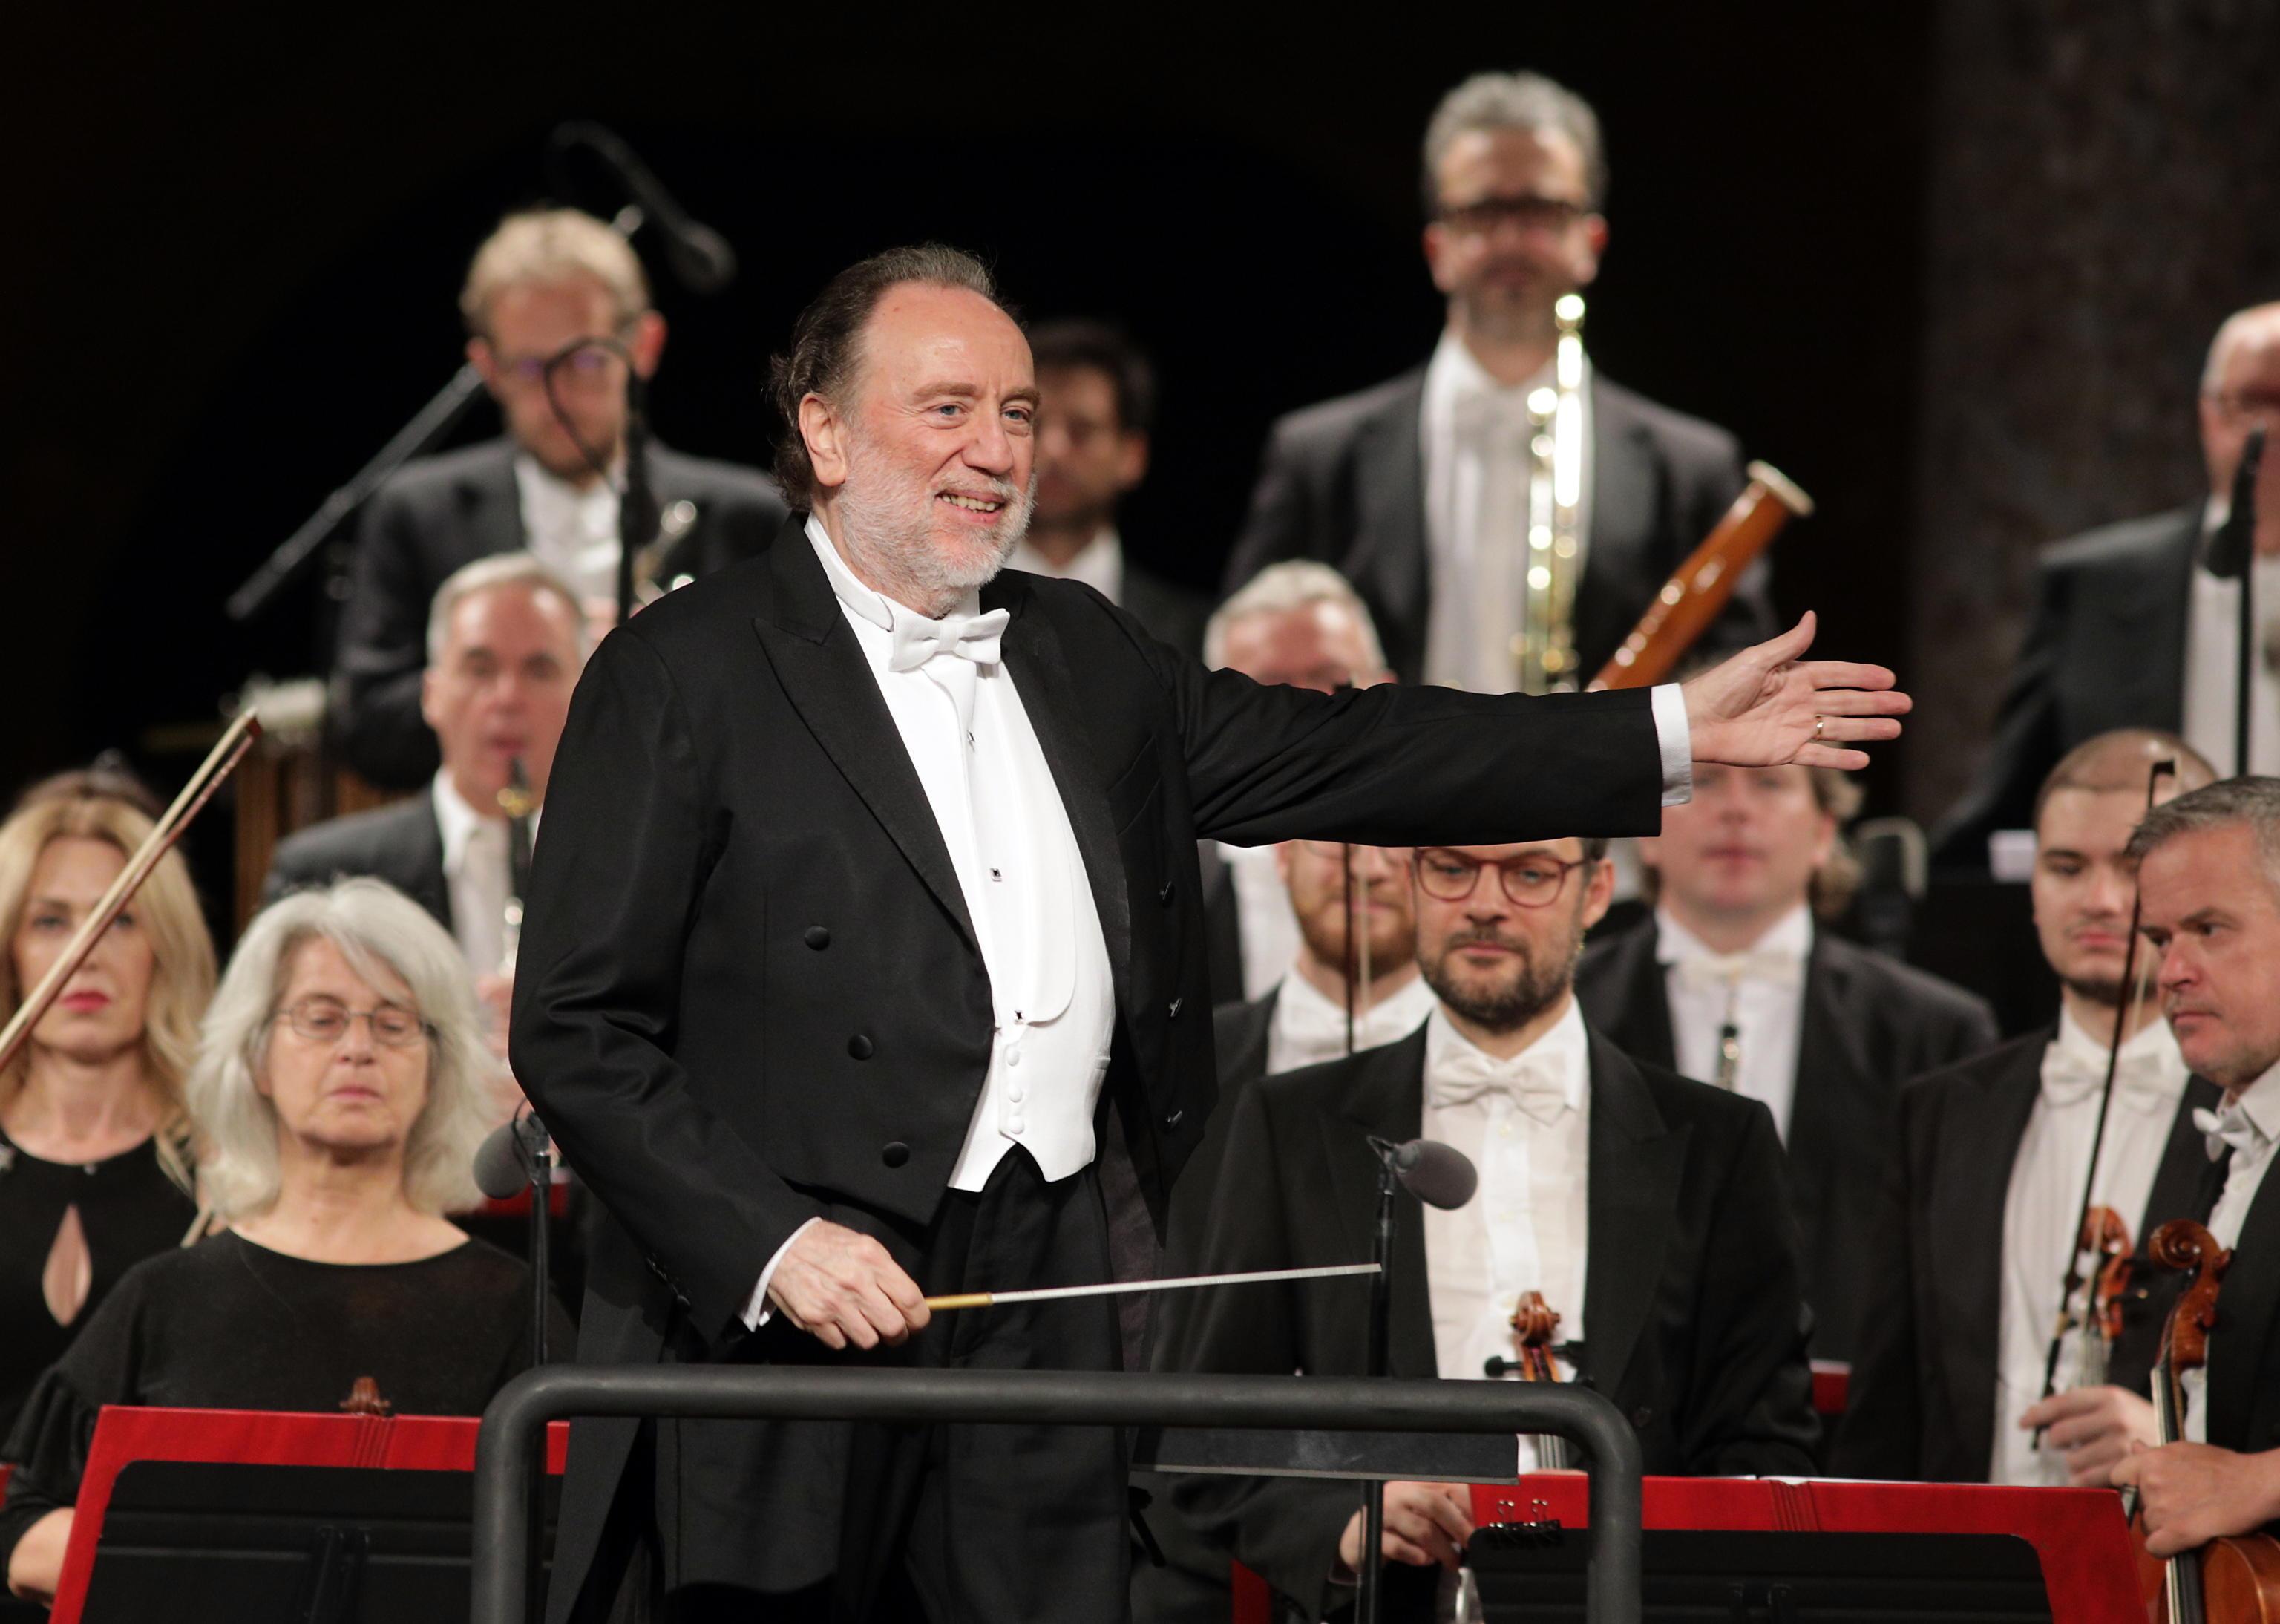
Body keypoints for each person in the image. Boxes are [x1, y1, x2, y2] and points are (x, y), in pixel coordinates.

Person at [509, 243, 1904, 1624]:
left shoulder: (1085, 653)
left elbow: (1353, 752)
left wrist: (1664, 728)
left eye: (1016, 414)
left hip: (1047, 1291)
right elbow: (576, 1026)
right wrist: (769, 1243)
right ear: (821, 429)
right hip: (794, 1321)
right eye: (948, 408)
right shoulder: (682, 670)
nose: (995, 451)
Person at [1149, 836, 1816, 1622]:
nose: (1486, 903)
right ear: (1413, 879)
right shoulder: (1289, 1124)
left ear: (1596, 890)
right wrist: (1346, 1524)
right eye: (1453, 867)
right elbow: (1214, 1426)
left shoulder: (1721, 1140)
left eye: (1530, 873)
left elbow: (1763, 1442)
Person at [0, 878, 570, 1605]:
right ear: (260, 1059)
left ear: (437, 1067)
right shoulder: (163, 1294)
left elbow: (577, 1542)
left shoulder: (513, 1304)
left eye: (395, 1024)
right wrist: (222, 1569)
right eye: (322, 1018)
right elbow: (22, 1528)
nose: (358, 1049)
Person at [1221, 69, 1772, 690]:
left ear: (1591, 240)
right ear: (1437, 248)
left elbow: (1732, 684)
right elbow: (1244, 672)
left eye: (1541, 209)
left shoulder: (1691, 468)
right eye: (1482, 212)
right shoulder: (1318, 457)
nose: (1511, 240)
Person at [1835, 731, 2221, 1484]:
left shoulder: (2256, 1114)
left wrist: (2182, 1444)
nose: (2101, 899)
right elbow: (1889, 1409)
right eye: (2066, 866)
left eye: (2133, 866)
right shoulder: (1943, 1110)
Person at [334, 208, 787, 789]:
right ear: (486, 368)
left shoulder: (746, 517)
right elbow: (367, 726)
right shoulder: (418, 514)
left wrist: (677, 668)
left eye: (586, 359)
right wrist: (534, 679)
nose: (557, 395)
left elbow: (797, 718)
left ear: (645, 346)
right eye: (528, 367)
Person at [1575, 762, 1996, 1359]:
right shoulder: (1567, 1010)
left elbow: (1958, 1264)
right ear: (1646, 830)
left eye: (1770, 783)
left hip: (1849, 1416)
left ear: (1825, 832)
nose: (1736, 810)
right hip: (1613, 1412)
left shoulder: (1935, 1031)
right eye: (1704, 782)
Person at [1936, 303, 2280, 862]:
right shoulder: (2095, 588)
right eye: (2251, 402)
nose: (2271, 428)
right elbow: (2011, 800)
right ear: (2208, 414)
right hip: (2140, 927)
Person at [272, 553, 587, 1067]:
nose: (507, 698)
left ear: (586, 696)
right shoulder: (321, 872)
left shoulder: (646, 868)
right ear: (431, 695)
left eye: (540, 669)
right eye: (479, 668)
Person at [0, 775, 216, 1437]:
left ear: (166, 948)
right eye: (50, 921)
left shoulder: (231, 1159)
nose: (84, 951)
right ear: (9, 951)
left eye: (119, 919)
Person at [2104, 777, 2280, 1556]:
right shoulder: (2235, 1142)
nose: (2171, 971)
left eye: (2209, 929)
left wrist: (2261, 1482)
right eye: (2160, 939)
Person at [1199, 562, 1399, 1007]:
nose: (1305, 709)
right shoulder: (1162, 877)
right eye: (1269, 687)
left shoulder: (1445, 860)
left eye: (1332, 679)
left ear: (1388, 691)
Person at [1009, 318, 1208, 658]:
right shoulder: (942, 610)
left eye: (1081, 429)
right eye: (1031, 424)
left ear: (1133, 455)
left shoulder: (1198, 633)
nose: (1053, 449)